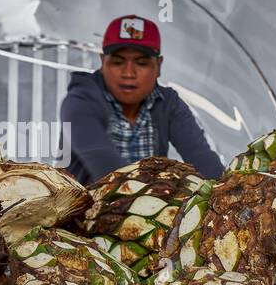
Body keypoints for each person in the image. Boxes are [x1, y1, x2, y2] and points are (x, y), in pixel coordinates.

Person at [60, 14, 225, 184]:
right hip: (87, 207)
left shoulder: (168, 104)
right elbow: (105, 166)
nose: (128, 73)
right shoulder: (80, 103)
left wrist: (226, 191)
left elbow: (202, 159)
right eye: (117, 62)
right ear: (103, 62)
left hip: (151, 204)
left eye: (141, 63)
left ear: (158, 65)